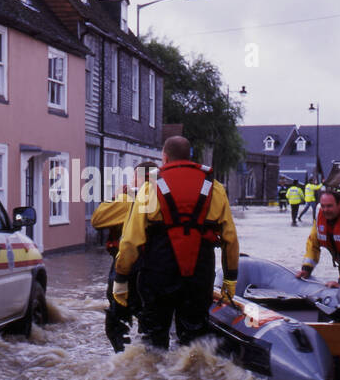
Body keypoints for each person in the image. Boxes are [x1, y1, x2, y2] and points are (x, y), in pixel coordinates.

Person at [112, 136, 239, 349]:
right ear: (190, 156)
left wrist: (121, 279)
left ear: (164, 157)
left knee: (153, 338)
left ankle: (156, 379)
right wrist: (230, 281)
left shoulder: (149, 187)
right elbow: (230, 239)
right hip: (200, 272)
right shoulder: (214, 186)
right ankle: (193, 376)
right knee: (194, 338)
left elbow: (130, 241)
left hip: (158, 271)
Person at [91, 163, 156, 351]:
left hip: (127, 266)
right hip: (157, 269)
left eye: (134, 178)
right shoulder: (163, 202)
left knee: (117, 320)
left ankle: (123, 357)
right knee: (150, 320)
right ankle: (150, 360)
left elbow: (97, 219)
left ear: (142, 180)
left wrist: (118, 196)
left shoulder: (129, 201)